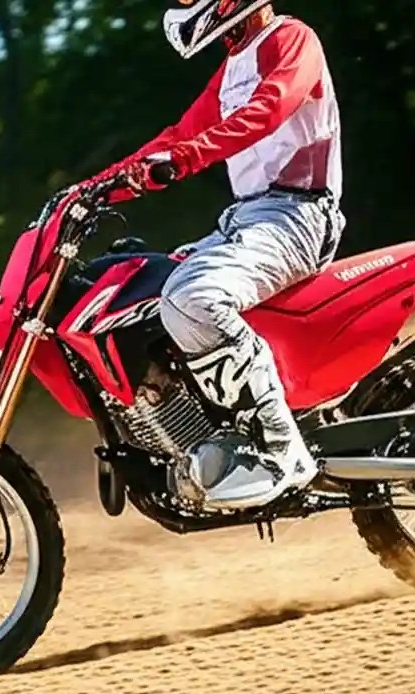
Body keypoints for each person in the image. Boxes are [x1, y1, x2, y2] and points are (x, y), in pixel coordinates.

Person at [89, 0, 344, 511]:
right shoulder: (233, 67)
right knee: (143, 289)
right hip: (248, 217)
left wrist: (181, 161)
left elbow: (267, 111)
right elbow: (178, 135)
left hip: (297, 214)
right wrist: (94, 190)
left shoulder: (291, 38)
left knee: (192, 296)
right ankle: (211, 438)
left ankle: (280, 448)